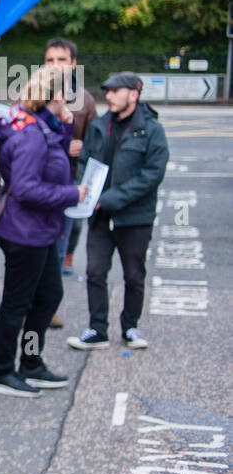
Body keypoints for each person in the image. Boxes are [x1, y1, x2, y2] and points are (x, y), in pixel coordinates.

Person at [0, 66, 85, 397]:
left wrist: (67, 125)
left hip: (39, 229)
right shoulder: (31, 134)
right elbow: (26, 188)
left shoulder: (40, 124)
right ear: (56, 96)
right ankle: (2, 372)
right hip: (24, 232)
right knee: (18, 303)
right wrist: (73, 195)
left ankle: (30, 362)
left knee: (48, 296)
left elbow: (55, 161)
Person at [68, 72, 168, 352]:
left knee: (134, 275)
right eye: (107, 91)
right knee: (95, 272)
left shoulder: (151, 130)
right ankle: (97, 329)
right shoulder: (99, 125)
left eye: (115, 91)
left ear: (133, 94)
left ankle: (130, 327)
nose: (108, 96)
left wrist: (110, 198)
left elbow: (152, 175)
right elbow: (87, 160)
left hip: (134, 219)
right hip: (100, 215)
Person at [42, 38, 95, 284]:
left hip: (72, 176)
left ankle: (64, 260)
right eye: (50, 60)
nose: (55, 65)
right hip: (40, 179)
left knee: (71, 227)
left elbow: (98, 141)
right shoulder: (32, 95)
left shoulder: (85, 99)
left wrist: (83, 148)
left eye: (61, 60)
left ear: (73, 64)